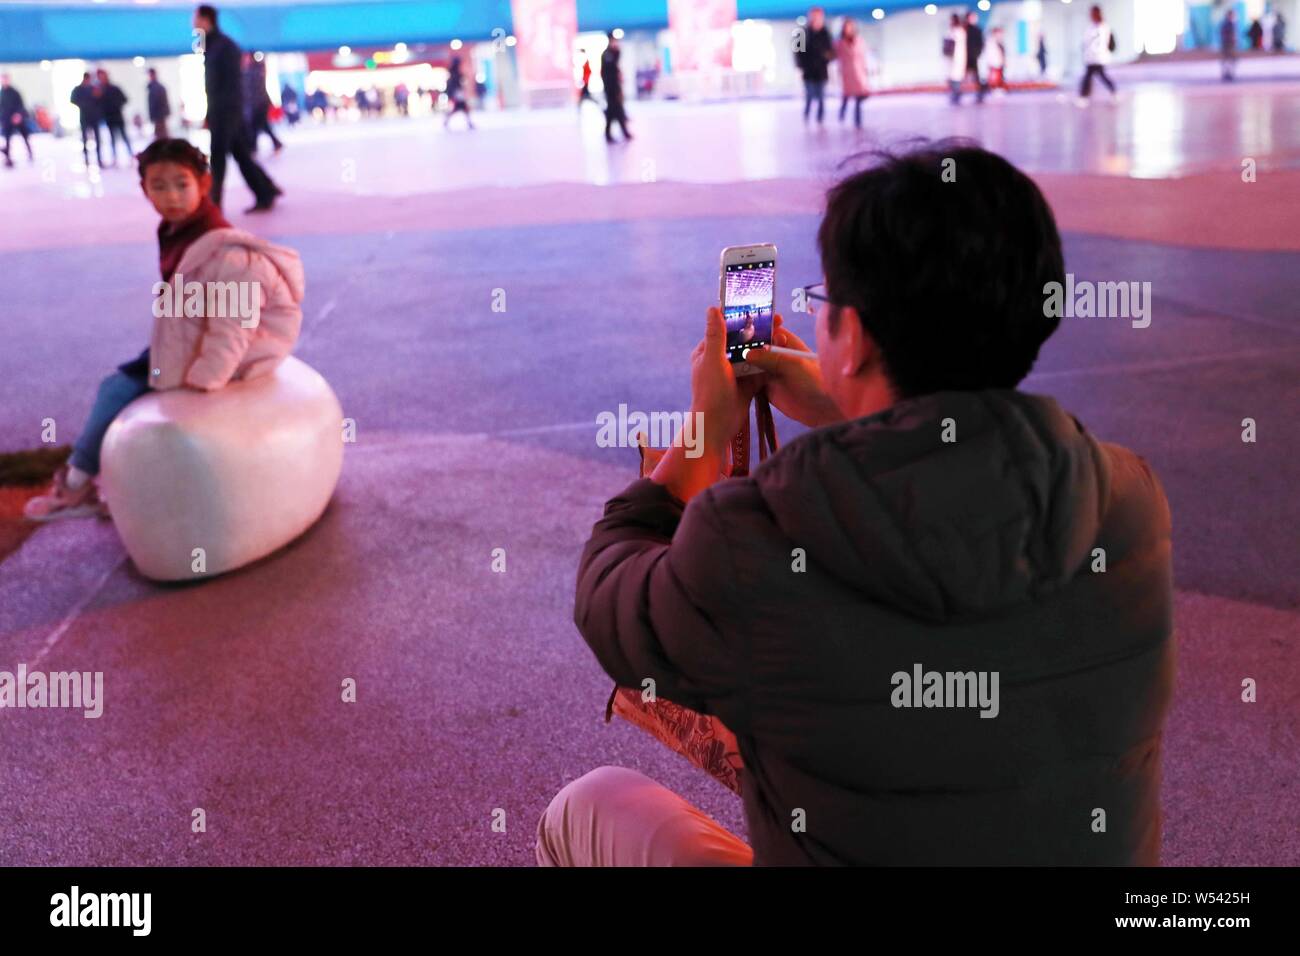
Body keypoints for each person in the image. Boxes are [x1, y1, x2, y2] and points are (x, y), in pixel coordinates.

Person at [538, 142, 1175, 866]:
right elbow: (963, 498)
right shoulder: (1129, 502)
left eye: (829, 304)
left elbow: (609, 603)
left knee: (588, 806)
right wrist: (857, 413)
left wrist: (702, 435)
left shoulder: (763, 538)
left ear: (857, 338)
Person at [24, 139, 305, 522]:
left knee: (116, 390)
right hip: (191, 338)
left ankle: (76, 487)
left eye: (181, 184)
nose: (171, 196)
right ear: (144, 190)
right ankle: (86, 478)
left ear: (204, 185)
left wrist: (201, 387)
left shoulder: (228, 253)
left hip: (236, 354)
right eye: (158, 186)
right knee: (119, 382)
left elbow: (232, 330)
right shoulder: (175, 230)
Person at [193, 4, 281, 212]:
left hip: (226, 112)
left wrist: (220, 113)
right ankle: (266, 191)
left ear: (206, 20)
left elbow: (230, 85)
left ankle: (214, 206)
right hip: (219, 110)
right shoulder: (210, 45)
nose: (193, 23)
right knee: (241, 155)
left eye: (196, 18)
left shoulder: (226, 46)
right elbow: (209, 79)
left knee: (218, 157)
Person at [795, 6, 834, 124]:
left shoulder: (826, 33)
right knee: (810, 95)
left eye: (819, 16)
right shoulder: (802, 32)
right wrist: (801, 65)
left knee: (822, 96)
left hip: (821, 70)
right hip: (808, 71)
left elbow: (831, 51)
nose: (816, 19)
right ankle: (806, 115)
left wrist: (827, 58)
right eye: (814, 16)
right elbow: (796, 51)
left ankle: (820, 118)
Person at [1078, 5, 1117, 104]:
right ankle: (1085, 96)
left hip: (1099, 57)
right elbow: (1085, 43)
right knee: (1092, 76)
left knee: (1094, 76)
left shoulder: (1104, 27)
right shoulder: (1089, 28)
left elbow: (1110, 44)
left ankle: (1084, 96)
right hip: (1090, 57)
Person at [243, 54, 282, 152]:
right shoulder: (256, 70)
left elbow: (252, 90)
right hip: (260, 103)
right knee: (258, 125)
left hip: (258, 104)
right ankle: (255, 146)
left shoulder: (252, 72)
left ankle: (254, 146)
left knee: (257, 125)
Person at [836, 17, 869, 129]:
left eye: (851, 27)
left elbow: (863, 56)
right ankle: (842, 113)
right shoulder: (840, 43)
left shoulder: (859, 41)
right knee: (846, 95)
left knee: (858, 98)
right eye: (847, 27)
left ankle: (857, 120)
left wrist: (865, 70)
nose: (849, 29)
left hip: (858, 72)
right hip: (847, 72)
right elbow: (835, 55)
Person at [600, 33, 631, 142]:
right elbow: (608, 73)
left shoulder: (613, 53)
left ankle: (617, 133)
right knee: (614, 110)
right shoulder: (607, 54)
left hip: (615, 87)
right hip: (610, 88)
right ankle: (621, 133)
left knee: (615, 111)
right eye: (614, 40)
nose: (616, 43)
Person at [96, 69, 131, 165]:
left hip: (117, 116)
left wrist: (116, 105)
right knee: (112, 138)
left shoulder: (115, 88)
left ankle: (130, 155)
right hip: (109, 118)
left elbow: (125, 99)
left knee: (124, 136)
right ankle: (114, 157)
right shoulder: (100, 90)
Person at [70, 72, 104, 169]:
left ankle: (99, 159)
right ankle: (86, 160)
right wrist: (84, 104)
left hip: (94, 117)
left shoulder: (93, 89)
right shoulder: (78, 89)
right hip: (85, 117)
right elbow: (73, 100)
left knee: (97, 139)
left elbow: (100, 100)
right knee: (85, 139)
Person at [1, 74, 34, 167]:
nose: (4, 81)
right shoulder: (1, 93)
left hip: (17, 118)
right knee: (7, 139)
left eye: (5, 79)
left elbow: (21, 105)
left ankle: (30, 153)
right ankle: (8, 158)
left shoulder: (15, 92)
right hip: (7, 120)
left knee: (24, 136)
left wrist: (18, 115)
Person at [443, 55, 475, 130]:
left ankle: (469, 123)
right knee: (462, 109)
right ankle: (469, 123)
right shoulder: (455, 74)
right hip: (457, 95)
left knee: (461, 109)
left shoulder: (453, 73)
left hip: (457, 95)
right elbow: (455, 86)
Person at [963, 10, 988, 104]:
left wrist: (978, 54)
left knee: (979, 77)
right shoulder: (964, 29)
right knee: (961, 76)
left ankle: (980, 94)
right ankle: (957, 94)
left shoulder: (977, 29)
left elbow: (981, 43)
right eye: (972, 17)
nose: (974, 19)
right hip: (965, 57)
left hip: (975, 57)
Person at [946, 13, 967, 105]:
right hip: (953, 57)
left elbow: (953, 44)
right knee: (953, 76)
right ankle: (954, 93)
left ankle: (956, 94)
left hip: (957, 57)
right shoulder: (954, 30)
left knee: (956, 76)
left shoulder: (958, 31)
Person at [147, 68, 171, 140]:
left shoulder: (157, 88)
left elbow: (161, 102)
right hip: (158, 116)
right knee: (160, 134)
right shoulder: (154, 87)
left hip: (159, 116)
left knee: (161, 135)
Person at [985, 26, 1009, 95]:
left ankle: (998, 89)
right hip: (994, 62)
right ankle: (994, 90)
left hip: (1000, 62)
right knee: (994, 77)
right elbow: (989, 53)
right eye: (999, 33)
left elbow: (1003, 52)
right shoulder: (991, 41)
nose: (1001, 35)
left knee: (1000, 76)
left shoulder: (1000, 42)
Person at [1221, 9, 1239, 82]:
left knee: (1230, 60)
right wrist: (1232, 39)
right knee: (1229, 59)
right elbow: (1226, 34)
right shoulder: (1228, 24)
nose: (1234, 16)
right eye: (1232, 15)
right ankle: (1227, 73)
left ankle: (1228, 73)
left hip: (1229, 44)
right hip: (1228, 44)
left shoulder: (1231, 24)